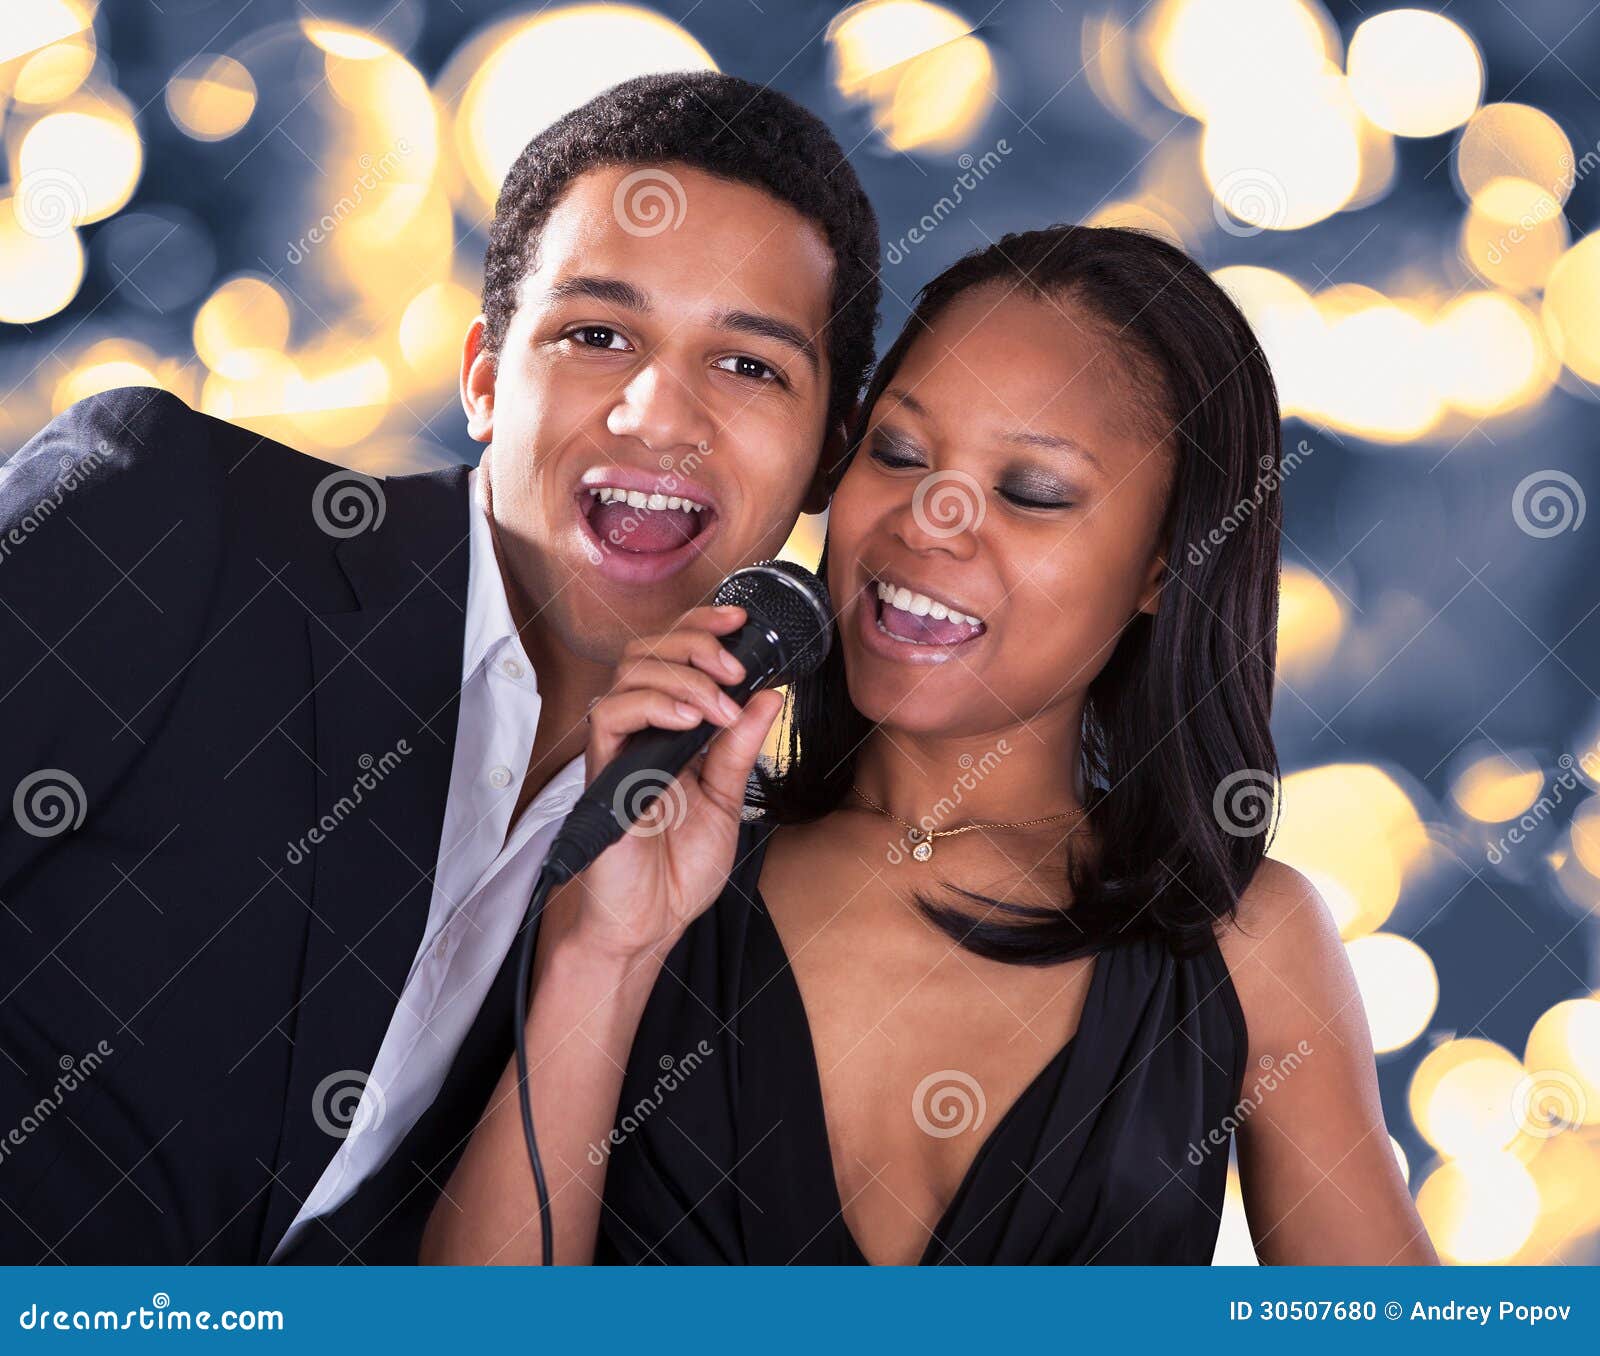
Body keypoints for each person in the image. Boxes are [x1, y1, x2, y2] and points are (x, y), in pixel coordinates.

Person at [422, 225, 1437, 1266]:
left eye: (1031, 492)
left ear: (1163, 568)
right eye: (897, 453)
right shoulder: (636, 866)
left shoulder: (1248, 946)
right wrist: (604, 951)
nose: (930, 519)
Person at [0, 71, 879, 1263]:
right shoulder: (176, 519)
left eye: (748, 366)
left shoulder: (712, 892)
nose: (656, 413)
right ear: (482, 376)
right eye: (597, 334)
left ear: (828, 459)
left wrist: (597, 959)